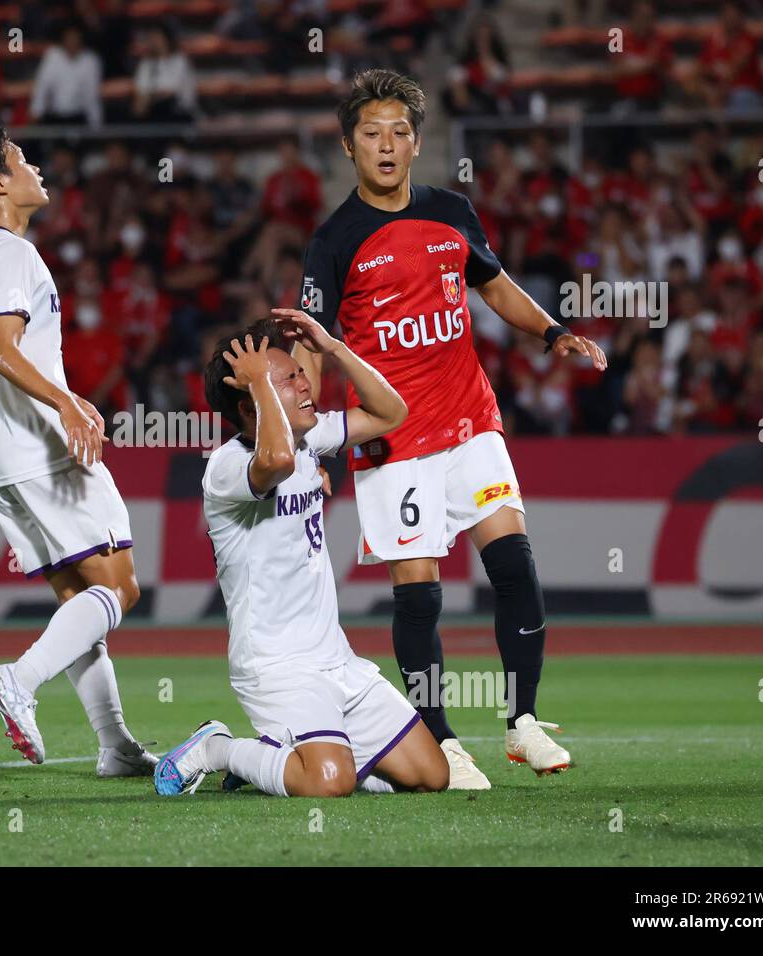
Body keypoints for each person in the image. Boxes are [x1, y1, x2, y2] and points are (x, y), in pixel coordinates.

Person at [298, 69, 607, 788]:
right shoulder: (335, 239)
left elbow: (492, 282)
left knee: (514, 564)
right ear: (349, 147)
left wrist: (552, 330)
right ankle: (439, 737)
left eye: (398, 133)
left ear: (416, 143)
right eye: (371, 133)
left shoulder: (450, 211)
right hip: (394, 437)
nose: (386, 145)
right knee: (421, 593)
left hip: (471, 420)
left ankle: (523, 720)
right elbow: (311, 340)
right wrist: (311, 440)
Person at [0, 119, 155, 777]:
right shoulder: (10, 253)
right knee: (121, 586)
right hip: (43, 447)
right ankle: (21, 680)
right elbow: (3, 350)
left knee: (78, 598)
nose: (37, 169)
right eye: (23, 159)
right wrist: (66, 402)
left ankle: (113, 744)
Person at [154, 313, 448, 798]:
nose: (305, 382)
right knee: (327, 783)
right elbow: (275, 461)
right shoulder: (227, 467)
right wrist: (256, 386)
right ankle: (217, 748)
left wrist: (334, 348)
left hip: (335, 658)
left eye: (299, 372)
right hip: (274, 664)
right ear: (253, 403)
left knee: (431, 775)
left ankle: (318, 757)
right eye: (287, 379)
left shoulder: (309, 438)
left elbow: (390, 413)